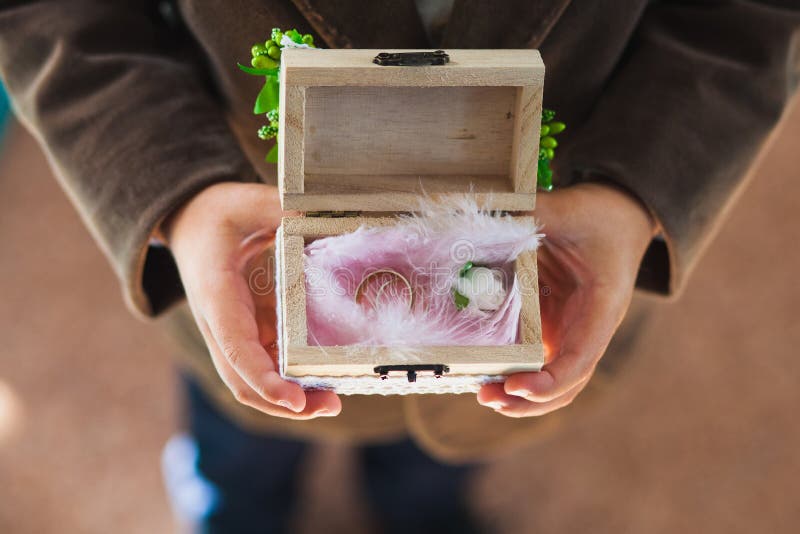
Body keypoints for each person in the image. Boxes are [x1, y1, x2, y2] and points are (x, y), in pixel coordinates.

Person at [1, 1, 798, 532]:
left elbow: (750, 19)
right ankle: (237, 505)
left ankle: (415, 505)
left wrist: (638, 192)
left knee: (438, 461)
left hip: (547, 244)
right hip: (242, 254)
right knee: (241, 443)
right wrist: (176, 192)